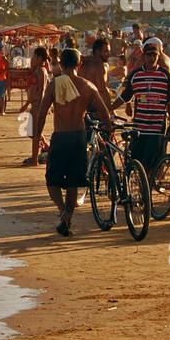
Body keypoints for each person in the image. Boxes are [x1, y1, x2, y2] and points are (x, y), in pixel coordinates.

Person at [32, 49, 114, 236]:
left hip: (60, 135)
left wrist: (37, 136)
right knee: (73, 180)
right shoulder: (87, 86)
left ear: (61, 64)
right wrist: (109, 127)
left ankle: (62, 210)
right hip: (79, 136)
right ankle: (67, 214)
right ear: (79, 65)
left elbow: (42, 112)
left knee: (52, 178)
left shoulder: (55, 84)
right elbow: (104, 112)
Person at [111, 38, 170, 181]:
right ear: (143, 56)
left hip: (156, 126)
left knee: (151, 162)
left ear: (158, 56)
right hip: (139, 127)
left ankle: (146, 191)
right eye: (148, 55)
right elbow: (125, 97)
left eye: (154, 55)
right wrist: (108, 109)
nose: (151, 58)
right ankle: (142, 189)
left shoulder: (164, 75)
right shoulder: (136, 75)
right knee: (137, 160)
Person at [22, 47, 51, 165]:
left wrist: (40, 106)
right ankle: (47, 148)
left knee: (35, 133)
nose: (33, 59)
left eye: (34, 56)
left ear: (39, 57)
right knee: (32, 132)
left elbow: (42, 90)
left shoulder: (42, 71)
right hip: (34, 104)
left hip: (37, 105)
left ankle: (34, 159)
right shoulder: (37, 70)